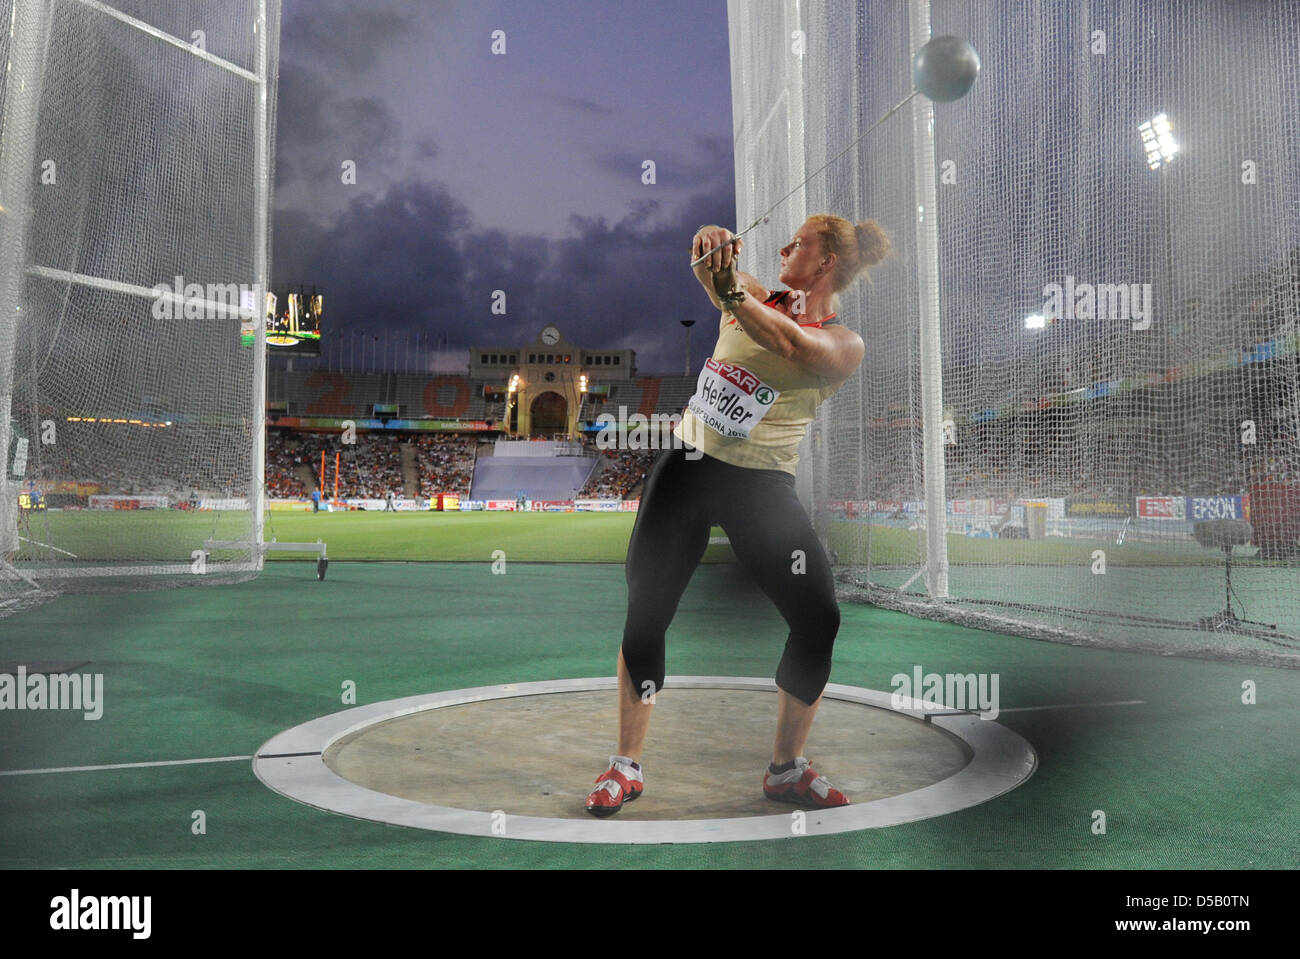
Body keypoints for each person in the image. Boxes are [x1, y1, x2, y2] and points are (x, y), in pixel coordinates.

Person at [586, 215, 890, 817]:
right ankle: (626, 764)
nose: (784, 247)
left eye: (798, 243)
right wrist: (707, 240)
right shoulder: (751, 289)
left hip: (763, 488)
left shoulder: (844, 343)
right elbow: (712, 273)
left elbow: (791, 343)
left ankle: (786, 770)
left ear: (826, 262)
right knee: (646, 614)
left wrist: (728, 291)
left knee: (818, 620)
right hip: (689, 467)